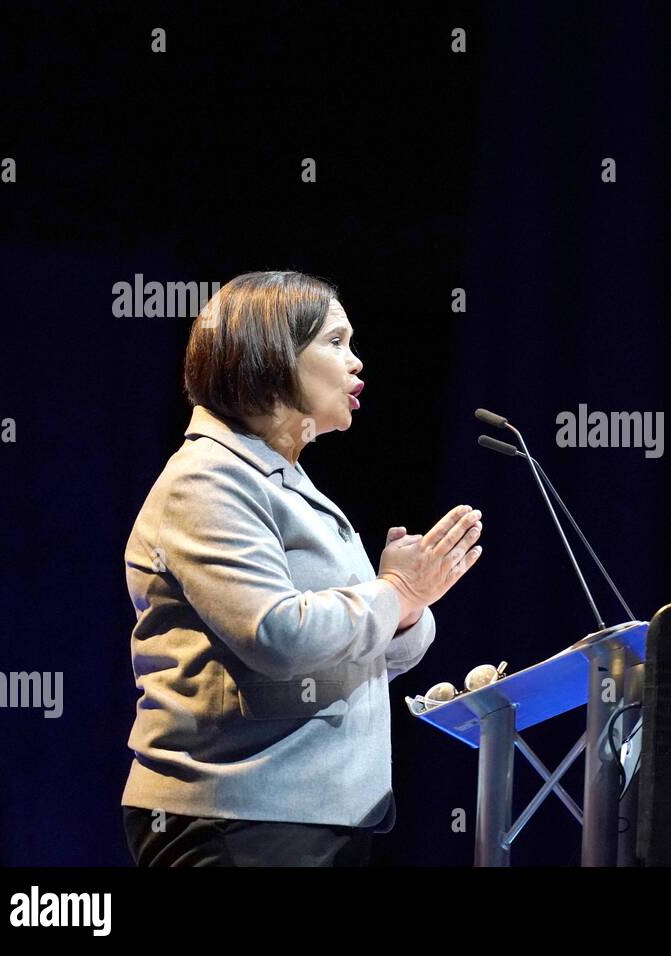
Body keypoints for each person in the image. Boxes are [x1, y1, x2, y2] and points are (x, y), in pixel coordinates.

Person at [120, 271, 482, 866]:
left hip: (316, 815)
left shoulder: (287, 484)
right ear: (270, 355)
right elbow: (279, 637)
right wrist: (395, 590)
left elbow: (345, 655)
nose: (357, 362)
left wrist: (405, 606)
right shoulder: (209, 480)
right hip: (239, 818)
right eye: (335, 342)